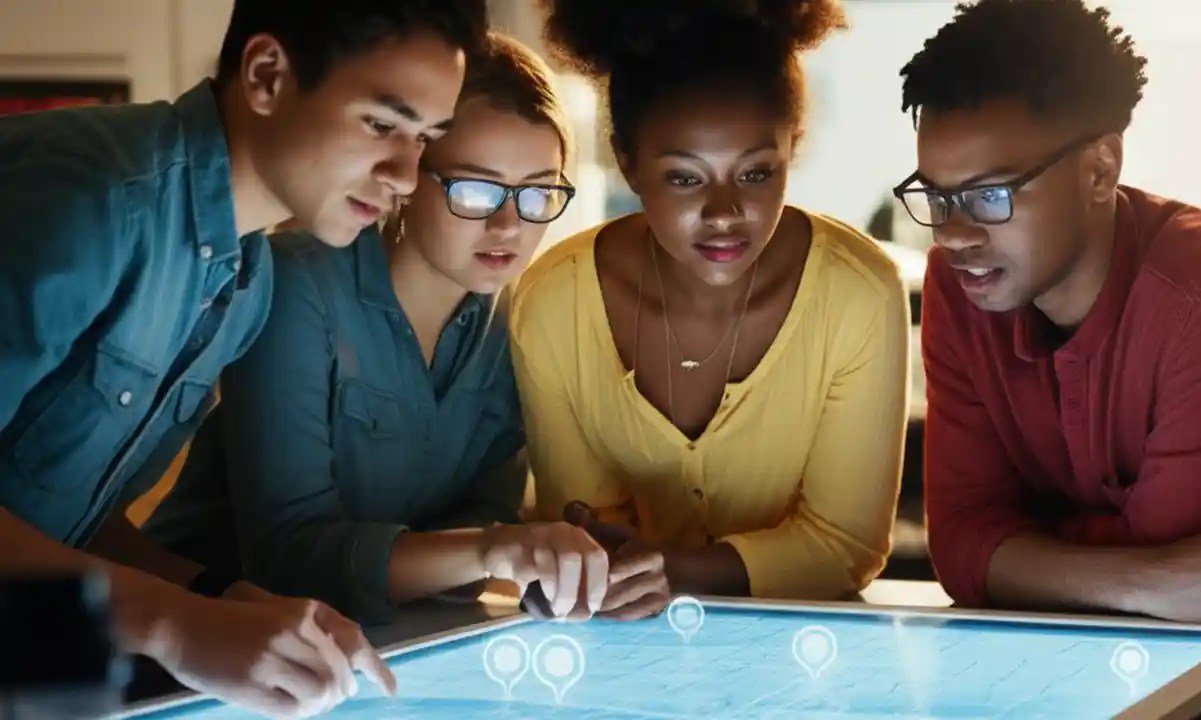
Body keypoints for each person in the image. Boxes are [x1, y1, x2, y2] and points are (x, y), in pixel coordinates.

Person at [0, 0, 485, 715]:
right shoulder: (91, 199)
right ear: (267, 75)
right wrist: (176, 625)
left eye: (426, 138)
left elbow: (59, 511)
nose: (406, 175)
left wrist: (220, 600)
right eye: (382, 124)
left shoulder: (245, 283)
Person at [144, 33, 609, 627]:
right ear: (409, 173)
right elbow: (287, 557)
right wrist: (488, 551)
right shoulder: (296, 285)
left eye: (538, 192)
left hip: (390, 643)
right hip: (201, 633)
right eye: (474, 188)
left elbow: (481, 521)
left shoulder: (515, 324)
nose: (508, 224)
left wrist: (542, 557)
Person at [512, 0, 910, 621]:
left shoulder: (859, 292)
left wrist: (670, 572)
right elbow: (589, 539)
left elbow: (845, 547)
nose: (725, 212)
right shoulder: (553, 303)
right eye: (685, 178)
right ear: (628, 164)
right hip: (622, 644)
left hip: (805, 646)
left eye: (755, 174)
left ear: (792, 150)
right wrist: (633, 570)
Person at [899, 0, 1201, 624]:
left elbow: (1191, 598)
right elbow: (961, 546)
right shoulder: (958, 286)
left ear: (1101, 169)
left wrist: (1023, 549)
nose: (952, 235)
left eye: (990, 195)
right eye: (936, 197)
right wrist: (1143, 576)